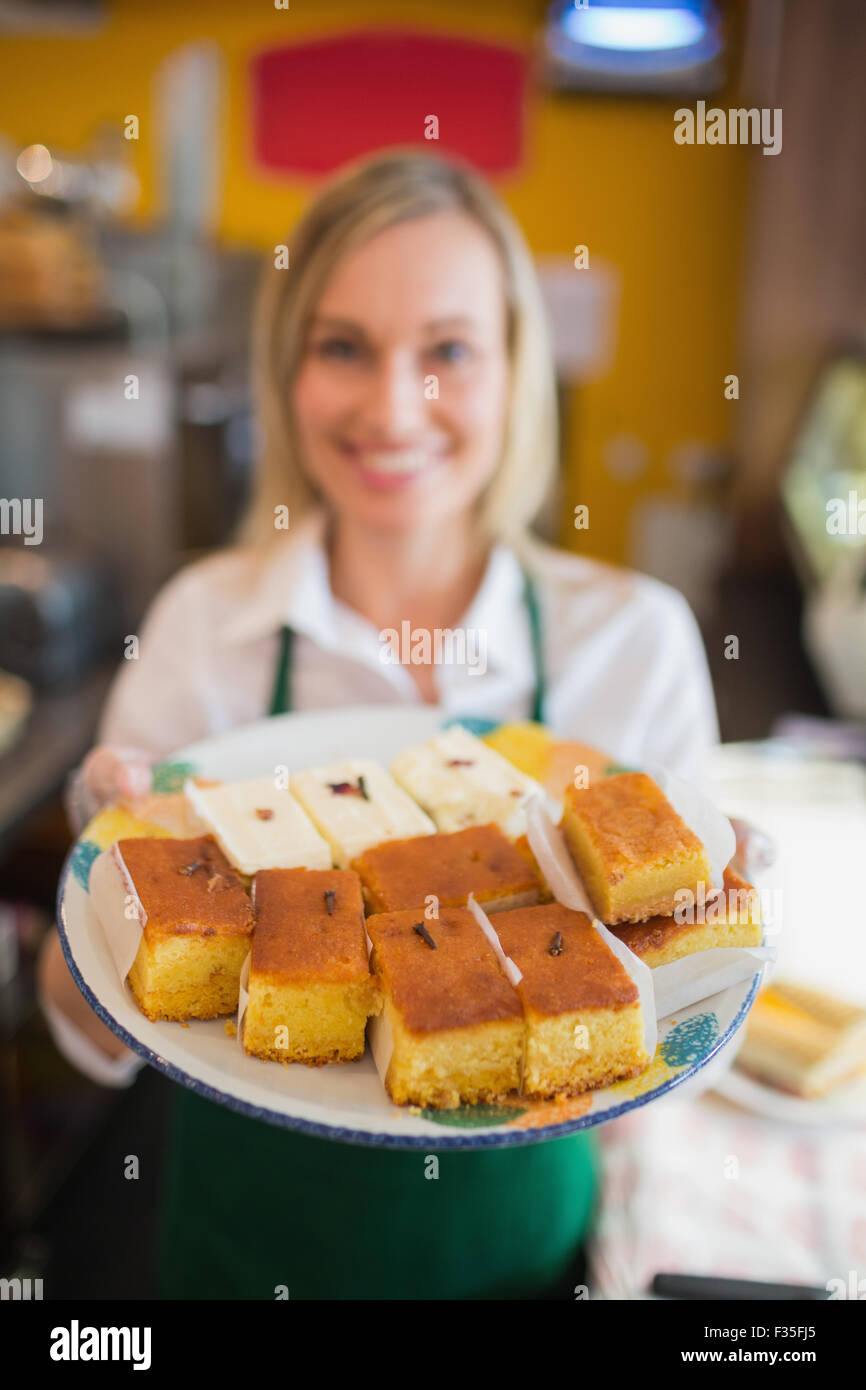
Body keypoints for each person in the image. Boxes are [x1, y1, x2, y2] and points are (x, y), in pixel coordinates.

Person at [39, 149, 719, 1300]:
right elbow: (96, 1033)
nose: (391, 405)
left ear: (515, 371)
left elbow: (684, 1045)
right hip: (238, 1257)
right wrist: (98, 880)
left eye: (447, 349)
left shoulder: (629, 640)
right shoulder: (209, 623)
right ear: (287, 370)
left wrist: (709, 904)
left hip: (520, 1260)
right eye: (342, 345)